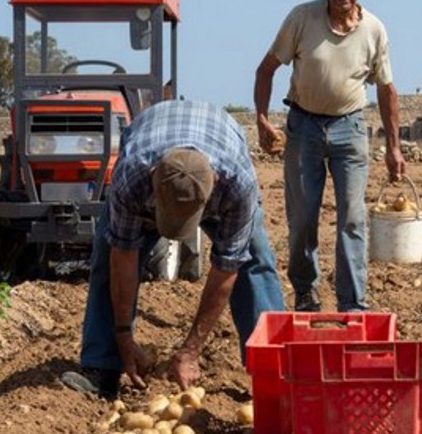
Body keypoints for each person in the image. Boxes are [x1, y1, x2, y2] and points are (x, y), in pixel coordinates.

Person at [61, 100, 286, 400]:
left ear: (214, 184)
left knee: (254, 262)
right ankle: (102, 367)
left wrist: (191, 350)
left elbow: (226, 269)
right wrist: (124, 337)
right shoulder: (132, 175)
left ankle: (270, 373)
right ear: (153, 174)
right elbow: (123, 258)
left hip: (221, 145)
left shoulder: (237, 185)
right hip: (152, 138)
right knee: (106, 255)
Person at [253, 0, 406, 313]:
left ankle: (352, 302)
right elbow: (266, 68)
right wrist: (261, 117)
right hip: (303, 126)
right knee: (303, 217)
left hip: (350, 128)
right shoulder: (302, 18)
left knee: (352, 216)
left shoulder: (374, 30)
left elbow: (386, 90)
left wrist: (394, 148)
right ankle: (306, 292)